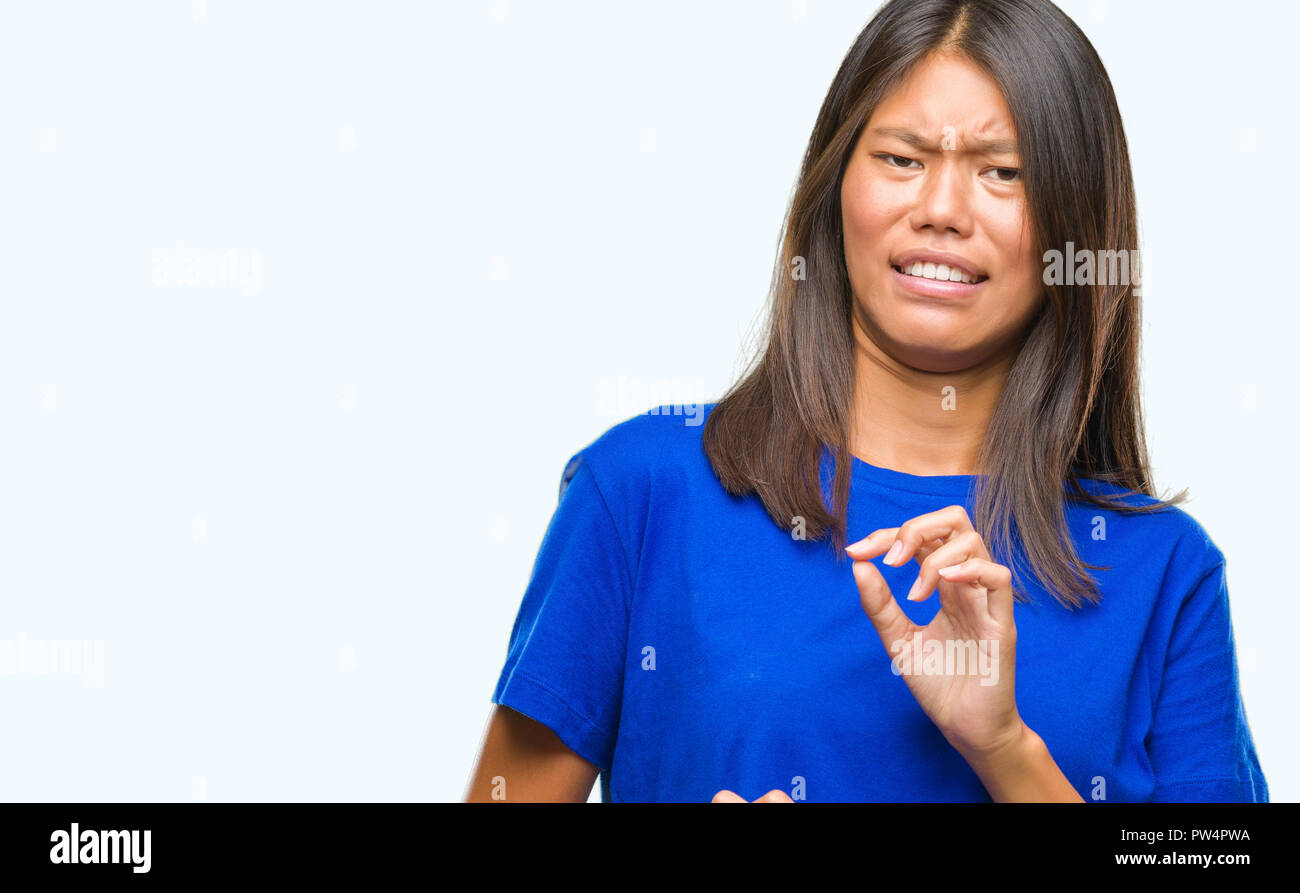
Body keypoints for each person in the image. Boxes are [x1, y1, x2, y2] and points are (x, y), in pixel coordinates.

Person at [464, 0, 1269, 803]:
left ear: (1076, 229)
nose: (942, 211)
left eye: (1003, 172)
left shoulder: (1165, 569)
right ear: (834, 186)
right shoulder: (641, 492)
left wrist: (1006, 749)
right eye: (901, 158)